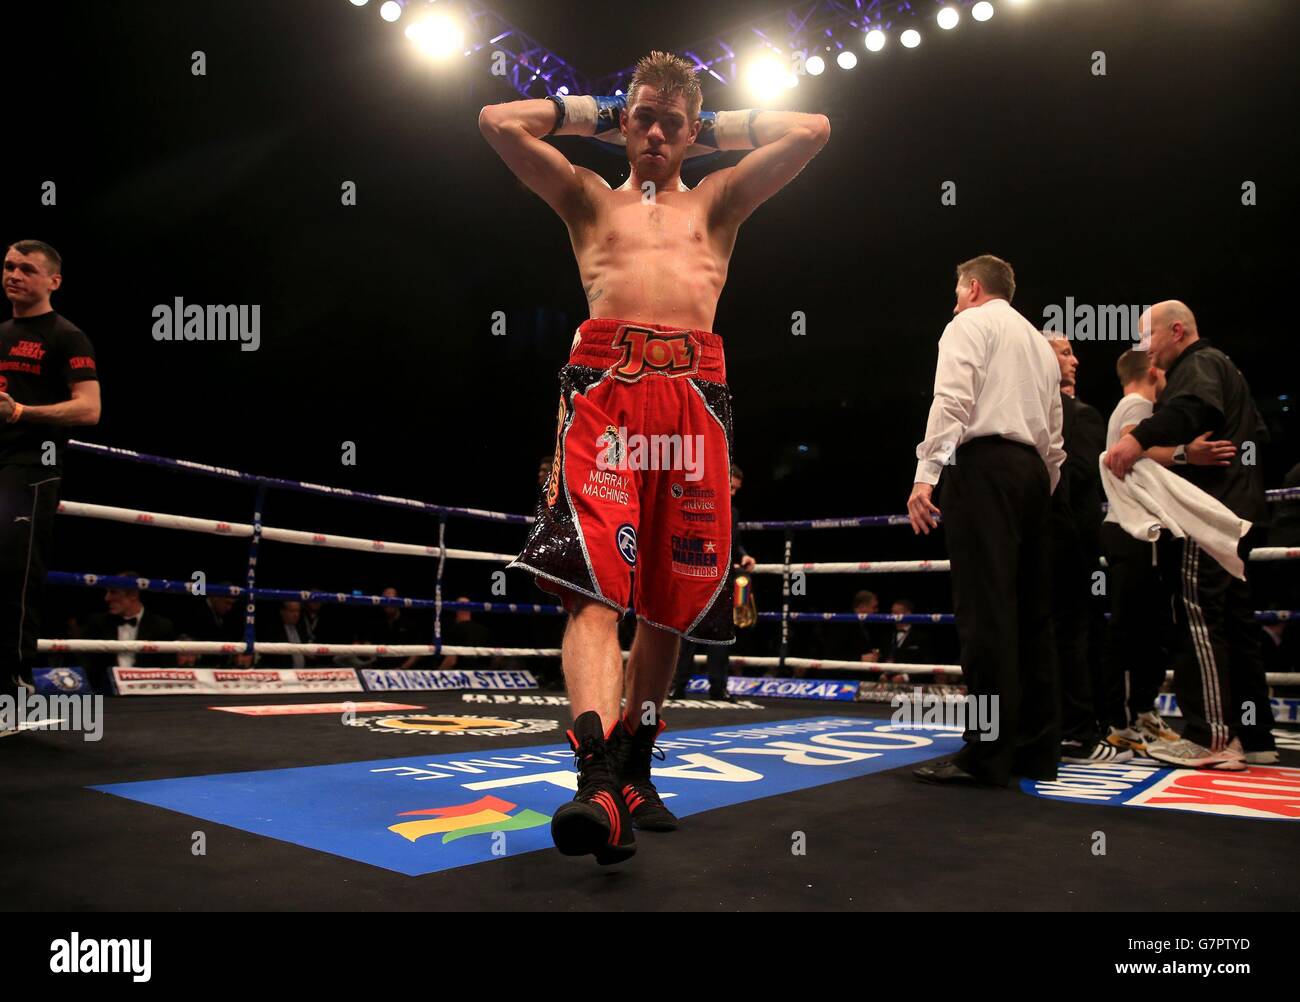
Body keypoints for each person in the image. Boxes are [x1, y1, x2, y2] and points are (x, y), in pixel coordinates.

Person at [480, 50, 830, 863]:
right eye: (644, 118)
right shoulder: (588, 199)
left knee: (672, 600)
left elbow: (811, 128)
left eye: (674, 122)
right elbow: (497, 122)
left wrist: (699, 127)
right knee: (592, 586)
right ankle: (596, 777)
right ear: (623, 120)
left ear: (694, 129)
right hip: (604, 389)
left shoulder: (718, 203)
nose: (657, 133)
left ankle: (635, 759)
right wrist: (607, 113)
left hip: (695, 394)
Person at [907, 254, 1065, 787]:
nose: (954, 300)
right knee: (1033, 615)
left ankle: (987, 754)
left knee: (986, 611)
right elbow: (1055, 438)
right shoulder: (1041, 348)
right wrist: (1039, 486)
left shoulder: (968, 324)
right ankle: (1038, 752)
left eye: (957, 290)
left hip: (985, 467)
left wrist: (925, 476)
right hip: (1032, 476)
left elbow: (951, 400)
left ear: (973, 288)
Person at [1105, 301, 1276, 767]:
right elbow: (1255, 435)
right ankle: (1255, 736)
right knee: (1237, 624)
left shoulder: (1198, 364)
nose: (1146, 348)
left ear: (1176, 330)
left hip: (1212, 516)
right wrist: (1208, 463)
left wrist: (1138, 440)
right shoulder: (1225, 367)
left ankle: (1210, 737)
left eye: (1150, 336)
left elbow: (1192, 407)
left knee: (1200, 617)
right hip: (1238, 513)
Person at [1, 241, 101, 709]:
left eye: (26, 268)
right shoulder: (0, 332)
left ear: (52, 281)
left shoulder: (67, 336)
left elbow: (89, 408)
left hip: (31, 469)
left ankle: (14, 691)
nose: (13, 274)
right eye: (8, 266)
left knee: (14, 576)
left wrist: (22, 411)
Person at [1043, 333, 1120, 763]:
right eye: (1065, 352)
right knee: (1065, 632)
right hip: (1056, 541)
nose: (1075, 360)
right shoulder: (1054, 414)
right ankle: (1070, 726)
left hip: (1068, 541)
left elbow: (1079, 477)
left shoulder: (1080, 415)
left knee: (1078, 631)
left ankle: (1081, 725)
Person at [672, 464, 756, 698]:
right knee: (687, 632)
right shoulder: (696, 503)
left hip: (722, 579)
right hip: (695, 574)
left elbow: (734, 542)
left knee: (720, 634)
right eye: (730, 487)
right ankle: (677, 687)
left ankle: (719, 689)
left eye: (736, 489)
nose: (732, 493)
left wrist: (743, 555)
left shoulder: (733, 511)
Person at [82, 575, 176, 692]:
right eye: (107, 592)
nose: (107, 598)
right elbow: (85, 665)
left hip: (149, 695)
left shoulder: (162, 626)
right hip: (105, 695)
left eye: (113, 592)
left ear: (133, 595)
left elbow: (169, 670)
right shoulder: (97, 623)